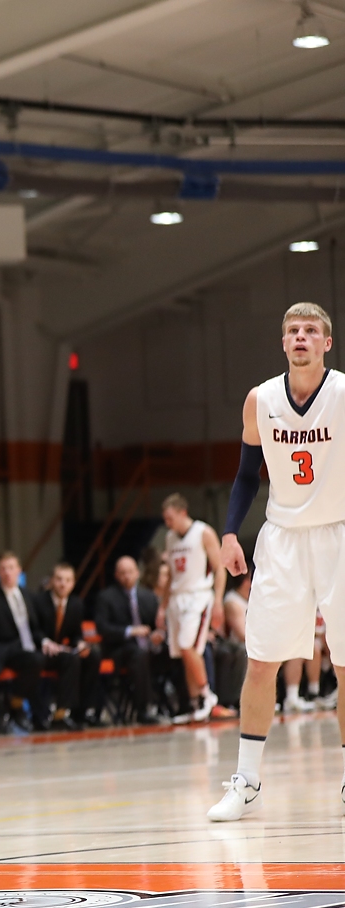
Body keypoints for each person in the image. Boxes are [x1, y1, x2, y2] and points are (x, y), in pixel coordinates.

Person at [207, 304, 345, 820]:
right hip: (283, 539)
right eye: (293, 331)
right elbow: (246, 475)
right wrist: (228, 533)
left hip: (339, 534)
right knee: (262, 661)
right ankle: (247, 781)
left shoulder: (343, 394)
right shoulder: (260, 400)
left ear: (326, 343)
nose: (301, 337)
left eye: (311, 330)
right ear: (282, 342)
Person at [158, 493, 229, 723]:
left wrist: (218, 601)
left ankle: (208, 697)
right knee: (184, 652)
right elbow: (170, 576)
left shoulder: (204, 532)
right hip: (177, 598)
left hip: (198, 596)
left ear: (182, 512)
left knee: (189, 647)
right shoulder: (170, 538)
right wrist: (163, 605)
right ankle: (195, 704)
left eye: (170, 518)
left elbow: (219, 568)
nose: (167, 523)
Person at [0, 551, 50, 732]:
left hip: (30, 648)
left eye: (11, 568)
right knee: (36, 661)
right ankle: (16, 705)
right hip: (7, 652)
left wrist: (46, 640)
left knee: (66, 659)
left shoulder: (28, 595)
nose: (7, 572)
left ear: (19, 571)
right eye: (3, 569)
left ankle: (62, 714)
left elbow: (34, 628)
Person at [94, 555, 168, 725]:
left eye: (130, 572)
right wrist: (131, 631)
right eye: (122, 573)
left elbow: (157, 625)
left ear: (137, 573)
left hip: (148, 648)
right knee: (138, 655)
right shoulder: (106, 597)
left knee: (176, 652)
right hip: (119, 650)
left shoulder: (148, 596)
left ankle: (188, 706)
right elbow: (103, 628)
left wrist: (159, 634)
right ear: (116, 575)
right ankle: (145, 709)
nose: (127, 576)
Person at [30, 562, 97, 729]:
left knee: (92, 655)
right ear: (52, 581)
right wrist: (46, 642)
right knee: (71, 660)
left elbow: (75, 634)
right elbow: (32, 629)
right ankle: (60, 713)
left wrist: (80, 643)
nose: (63, 584)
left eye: (68, 580)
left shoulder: (76, 604)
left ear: (73, 583)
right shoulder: (38, 601)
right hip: (40, 651)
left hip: (61, 651)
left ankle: (81, 712)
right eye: (59, 579)